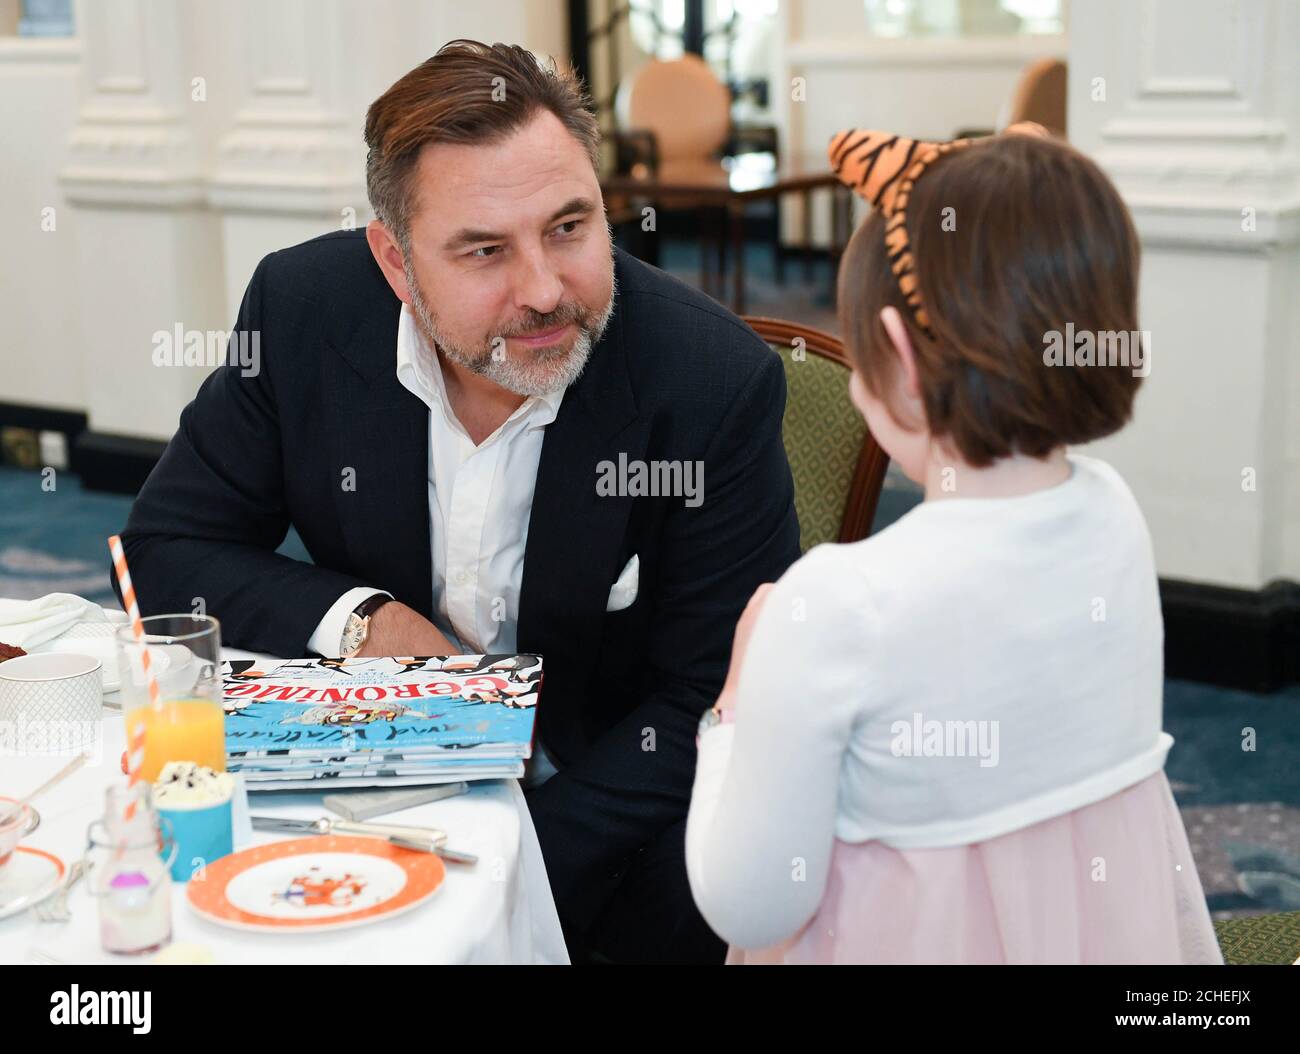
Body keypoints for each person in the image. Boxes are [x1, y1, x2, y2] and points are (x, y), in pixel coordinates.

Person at [114, 40, 800, 963]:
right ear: (396, 264)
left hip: (607, 820)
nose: (546, 290)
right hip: (358, 776)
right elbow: (167, 547)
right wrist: (364, 622)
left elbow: (717, 701)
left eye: (570, 227)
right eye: (485, 251)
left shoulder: (711, 384)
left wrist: (499, 878)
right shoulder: (304, 309)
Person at [684, 124, 1223, 964]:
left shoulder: (832, 605)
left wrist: (733, 707)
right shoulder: (1115, 516)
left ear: (897, 355)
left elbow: (747, 907)